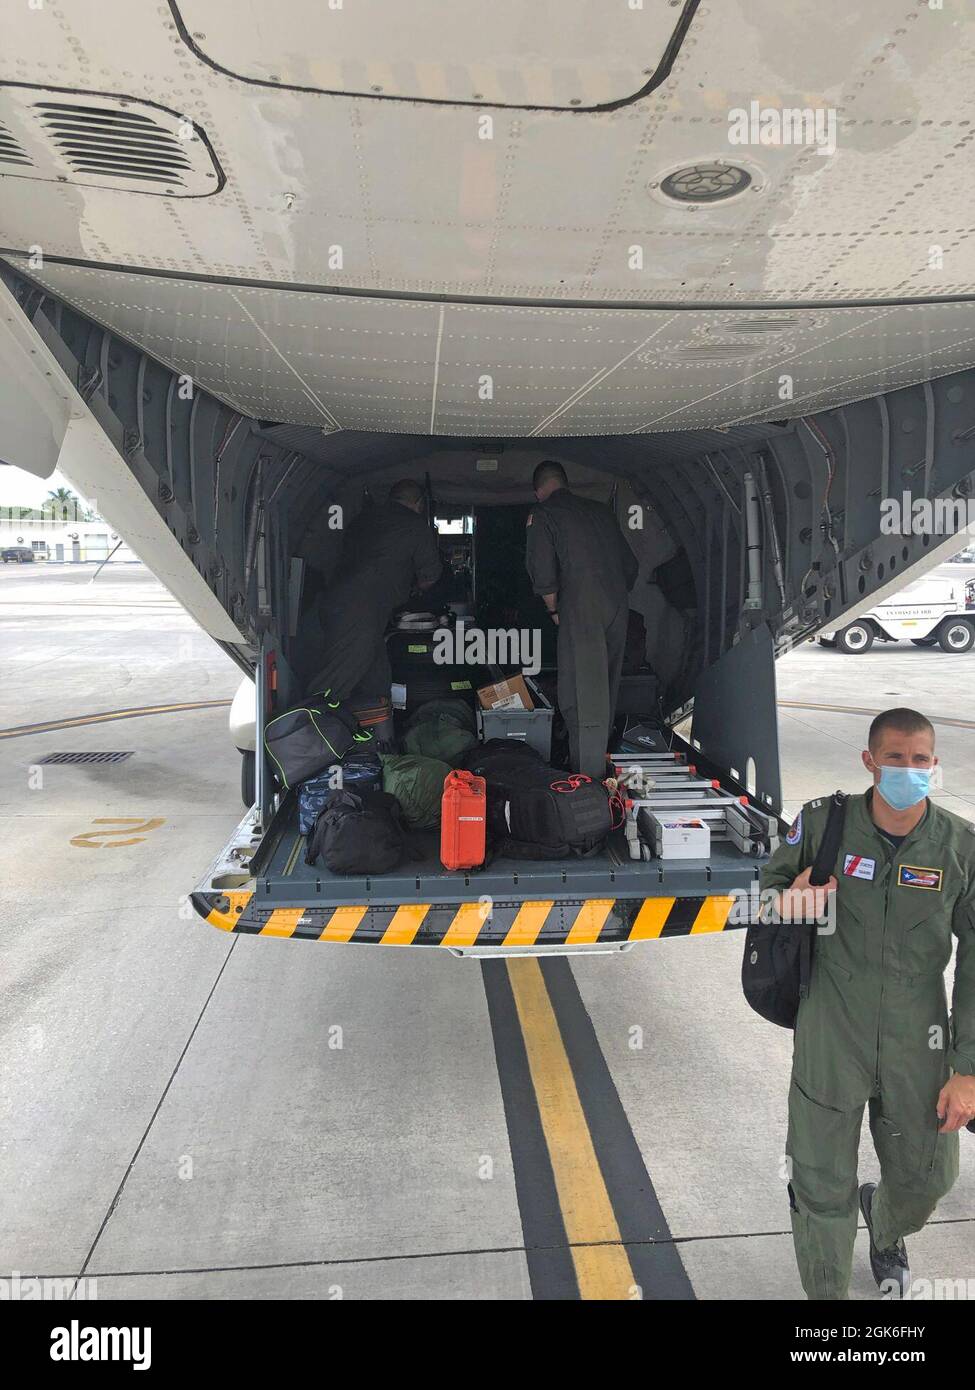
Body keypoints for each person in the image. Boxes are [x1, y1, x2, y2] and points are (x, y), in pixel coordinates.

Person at [760, 707, 975, 1299]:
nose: (909, 770)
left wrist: (968, 1068)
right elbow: (766, 891)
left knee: (928, 1175)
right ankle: (828, 1300)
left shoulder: (960, 847)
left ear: (934, 765)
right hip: (832, 1022)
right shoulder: (825, 823)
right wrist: (791, 899)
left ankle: (885, 1227)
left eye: (920, 759)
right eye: (896, 758)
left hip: (919, 1032)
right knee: (819, 1178)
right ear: (870, 761)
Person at [524, 461, 638, 779]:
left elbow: (543, 574)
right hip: (617, 605)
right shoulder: (600, 511)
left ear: (538, 489)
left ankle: (589, 787)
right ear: (565, 482)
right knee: (605, 692)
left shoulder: (543, 514)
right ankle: (594, 761)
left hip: (581, 607)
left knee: (583, 695)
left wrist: (555, 612)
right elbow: (631, 566)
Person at [304, 479, 441, 703]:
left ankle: (379, 729)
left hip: (335, 601)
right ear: (418, 503)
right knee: (335, 680)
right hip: (361, 611)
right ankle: (311, 726)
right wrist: (414, 592)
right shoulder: (415, 525)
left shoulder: (362, 518)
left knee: (376, 677)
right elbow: (430, 576)